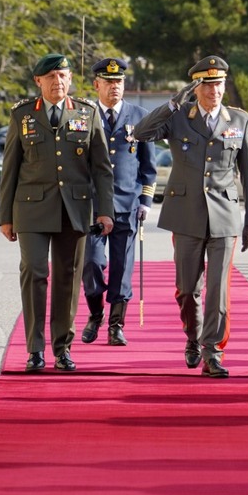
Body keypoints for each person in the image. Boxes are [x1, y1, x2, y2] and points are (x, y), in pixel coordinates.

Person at [133, 55, 248, 378]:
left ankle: (212, 351)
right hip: (185, 214)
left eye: (219, 84)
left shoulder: (239, 120)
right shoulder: (179, 118)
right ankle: (193, 336)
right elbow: (141, 132)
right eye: (207, 84)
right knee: (187, 289)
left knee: (218, 290)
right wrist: (172, 104)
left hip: (225, 216)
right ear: (196, 87)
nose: (215, 90)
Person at [0, 53, 115, 373]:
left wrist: (105, 212)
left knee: (67, 279)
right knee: (35, 272)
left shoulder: (86, 113)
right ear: (38, 82)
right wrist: (5, 216)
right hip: (32, 208)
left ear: (70, 80)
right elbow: (10, 168)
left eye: (62, 76)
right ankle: (35, 348)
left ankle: (62, 348)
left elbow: (102, 169)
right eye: (50, 77)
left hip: (74, 210)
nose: (57, 82)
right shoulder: (23, 115)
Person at [80, 57, 157, 347]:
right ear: (96, 84)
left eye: (119, 82)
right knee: (91, 264)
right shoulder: (84, 116)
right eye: (109, 82)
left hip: (128, 204)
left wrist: (146, 202)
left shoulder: (139, 116)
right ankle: (95, 313)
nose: (115, 87)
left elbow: (149, 167)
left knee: (122, 267)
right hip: (93, 206)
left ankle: (116, 324)